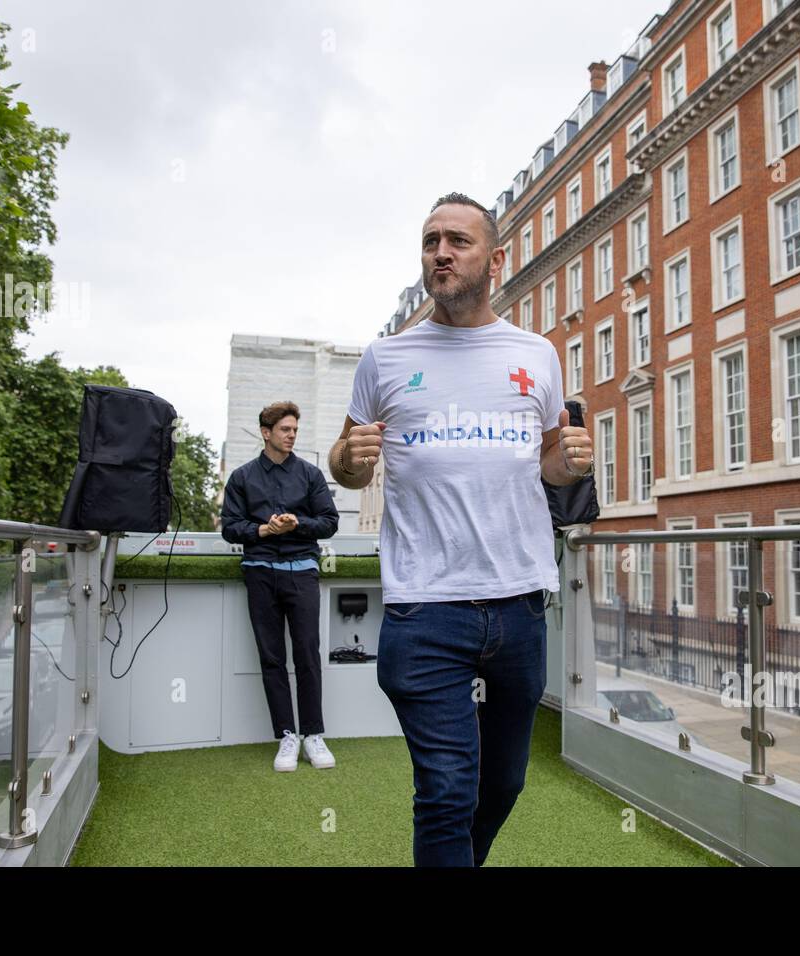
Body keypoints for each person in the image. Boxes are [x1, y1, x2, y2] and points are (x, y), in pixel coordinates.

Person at [328, 193, 594, 865]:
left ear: (495, 259)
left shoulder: (536, 354)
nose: (440, 252)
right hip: (424, 609)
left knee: (502, 781)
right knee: (447, 789)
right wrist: (350, 461)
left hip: (519, 604)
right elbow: (346, 460)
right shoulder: (385, 359)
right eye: (430, 241)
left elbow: (549, 463)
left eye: (457, 241)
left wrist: (568, 460)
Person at [221, 401, 340, 772]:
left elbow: (329, 522)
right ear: (266, 432)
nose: (291, 436)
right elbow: (229, 527)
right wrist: (263, 530)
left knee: (307, 654)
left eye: (294, 430)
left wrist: (296, 524)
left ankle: (313, 735)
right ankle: (287, 736)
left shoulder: (310, 475)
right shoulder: (241, 478)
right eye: (285, 430)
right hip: (259, 573)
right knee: (271, 657)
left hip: (302, 571)